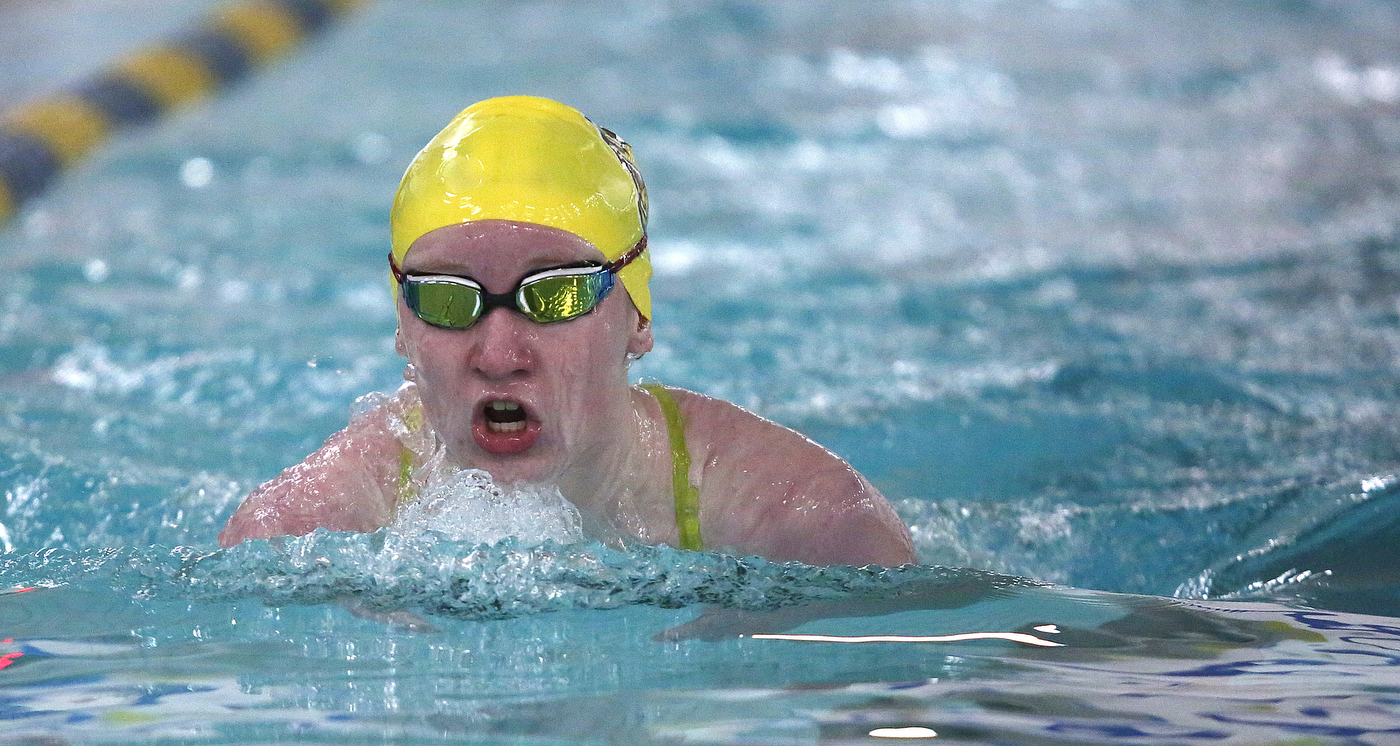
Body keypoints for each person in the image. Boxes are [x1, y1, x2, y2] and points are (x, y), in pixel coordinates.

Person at [218, 96, 916, 566]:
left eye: (556, 294)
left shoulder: (810, 527)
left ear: (637, 318)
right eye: (448, 299)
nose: (498, 354)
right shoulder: (297, 536)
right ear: (402, 325)